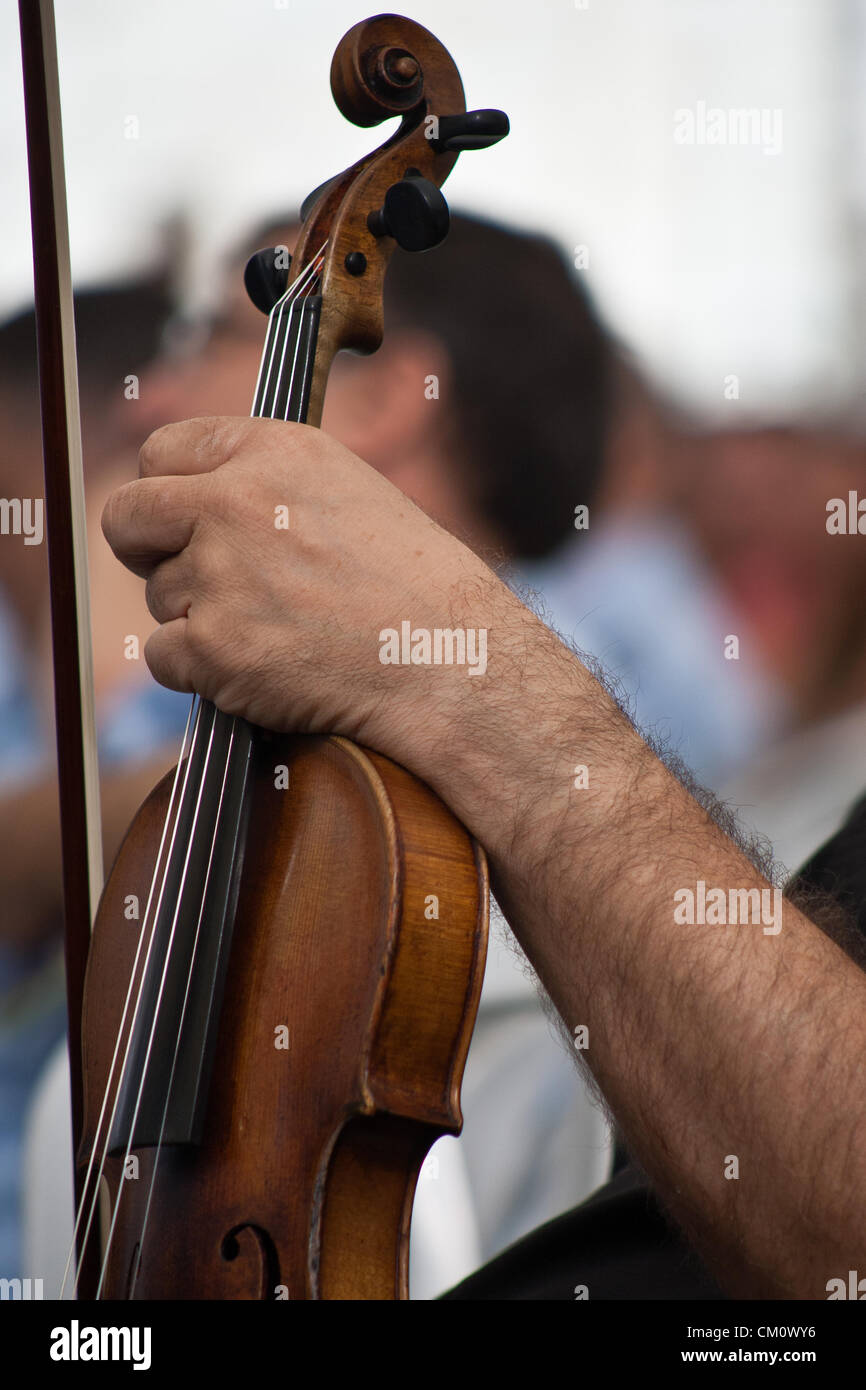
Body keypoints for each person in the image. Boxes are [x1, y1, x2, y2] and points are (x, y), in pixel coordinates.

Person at [99, 414, 866, 1298]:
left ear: (398, 388)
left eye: (206, 340)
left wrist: (457, 670)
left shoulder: (628, 615)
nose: (148, 393)